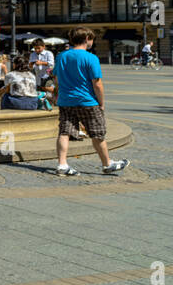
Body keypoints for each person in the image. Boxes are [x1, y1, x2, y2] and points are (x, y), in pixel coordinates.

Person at [53, 27, 129, 176]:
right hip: (87, 101)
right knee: (97, 134)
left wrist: (58, 94)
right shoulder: (91, 58)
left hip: (66, 100)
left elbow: (56, 78)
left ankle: (62, 164)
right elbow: (97, 83)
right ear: (87, 39)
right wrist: (101, 103)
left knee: (64, 132)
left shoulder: (61, 56)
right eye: (92, 39)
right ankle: (107, 164)